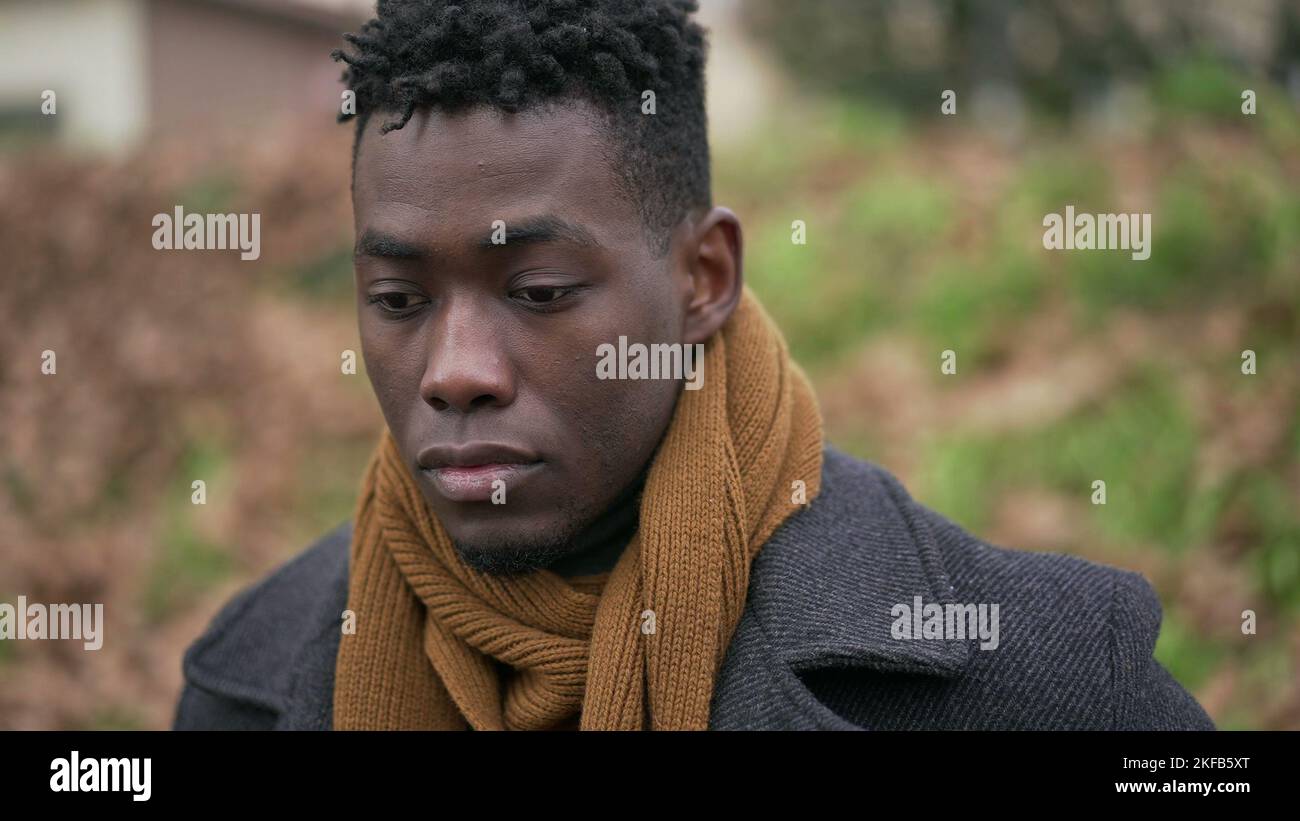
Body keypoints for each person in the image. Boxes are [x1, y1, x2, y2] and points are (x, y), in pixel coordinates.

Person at [173, 0, 1214, 731]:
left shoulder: (1040, 680)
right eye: (399, 300)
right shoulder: (247, 680)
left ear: (703, 275)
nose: (455, 372)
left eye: (537, 293)